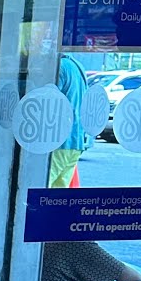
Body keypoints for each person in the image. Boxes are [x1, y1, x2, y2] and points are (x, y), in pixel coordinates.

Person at [50, 53, 92, 188]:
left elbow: (48, 103)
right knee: (58, 195)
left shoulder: (59, 67)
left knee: (42, 188)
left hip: (58, 142)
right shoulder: (77, 66)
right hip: (75, 141)